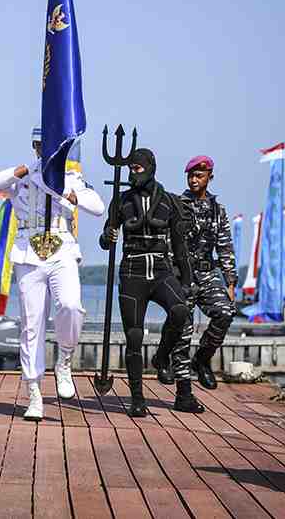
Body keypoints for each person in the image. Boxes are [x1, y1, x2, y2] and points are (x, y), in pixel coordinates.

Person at [0, 128, 105, 421]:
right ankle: (34, 393)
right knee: (32, 324)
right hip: (28, 252)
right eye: (40, 145)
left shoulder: (72, 177)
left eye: (49, 144)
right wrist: (25, 169)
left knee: (71, 306)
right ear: (35, 146)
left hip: (62, 248)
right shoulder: (22, 177)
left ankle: (64, 358)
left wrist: (63, 188)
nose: (45, 149)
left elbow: (98, 208)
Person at [99, 148, 204, 416]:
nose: (133, 174)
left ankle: (161, 356)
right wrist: (108, 237)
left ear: (150, 168)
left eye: (137, 169)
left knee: (180, 310)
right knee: (134, 335)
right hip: (132, 270)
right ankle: (137, 398)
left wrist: (188, 280)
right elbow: (105, 238)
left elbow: (180, 248)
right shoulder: (121, 201)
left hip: (160, 268)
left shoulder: (169, 202)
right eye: (130, 169)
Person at [179, 156, 238, 389]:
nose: (194, 180)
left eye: (199, 176)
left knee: (225, 312)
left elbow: (225, 246)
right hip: (182, 274)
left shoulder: (217, 210)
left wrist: (230, 282)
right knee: (183, 329)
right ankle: (183, 388)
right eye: (191, 175)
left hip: (206, 272)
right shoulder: (177, 205)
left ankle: (202, 360)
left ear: (209, 177)